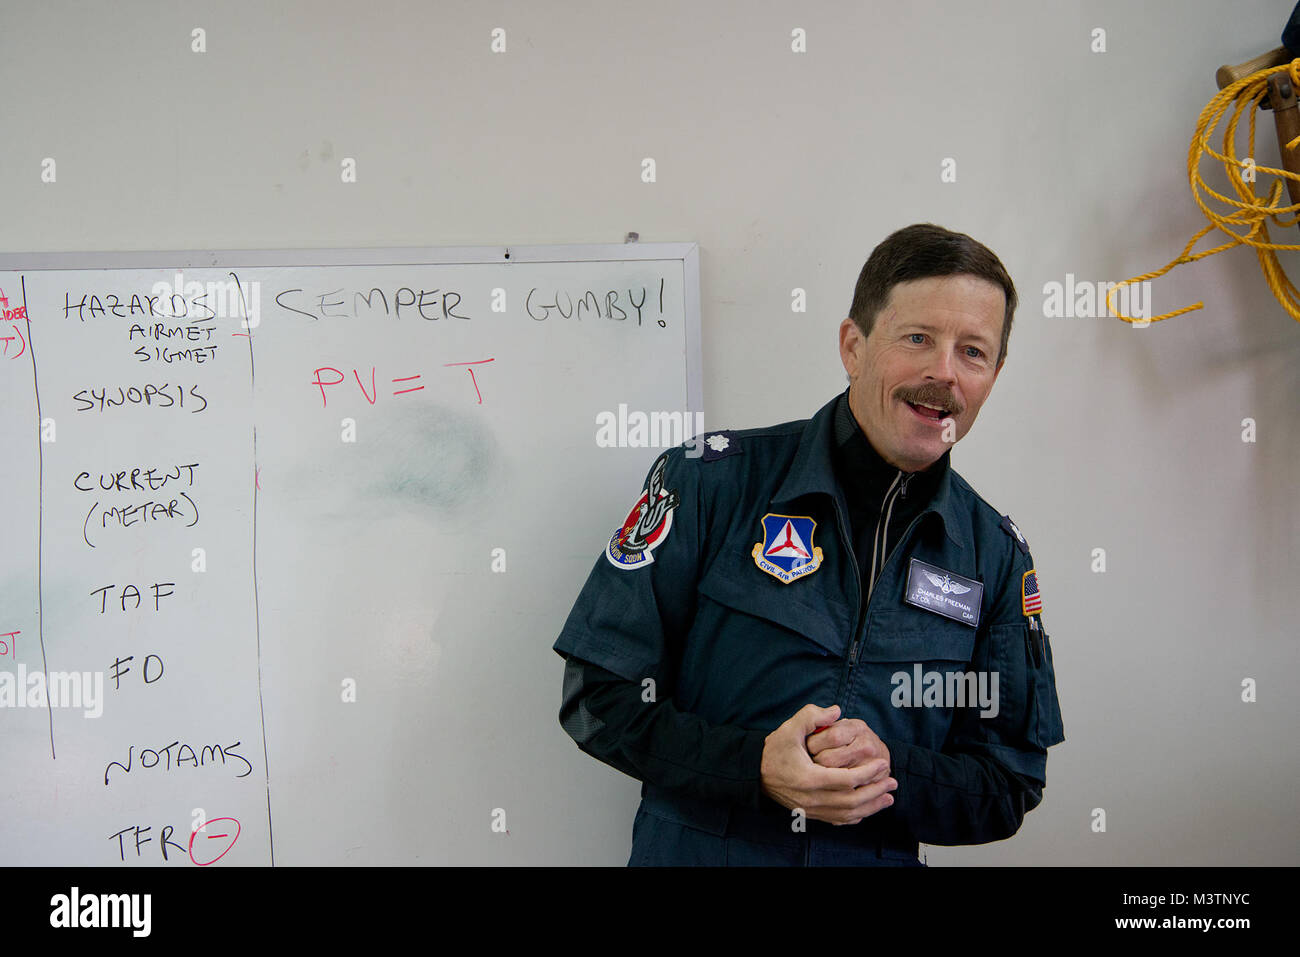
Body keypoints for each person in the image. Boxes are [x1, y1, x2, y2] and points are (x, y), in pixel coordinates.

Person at [554, 223, 1065, 866]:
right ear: (854, 346)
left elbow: (1008, 783)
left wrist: (890, 769)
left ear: (993, 374)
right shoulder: (710, 483)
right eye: (918, 339)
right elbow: (598, 698)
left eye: (973, 352)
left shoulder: (994, 557)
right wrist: (755, 768)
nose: (944, 373)